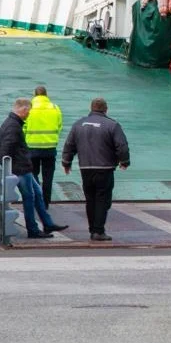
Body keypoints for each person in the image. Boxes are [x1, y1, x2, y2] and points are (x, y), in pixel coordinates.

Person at [62, 97, 130, 242]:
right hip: (104, 168)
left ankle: (93, 229)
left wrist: (66, 162)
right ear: (106, 109)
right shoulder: (112, 125)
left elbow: (69, 145)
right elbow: (121, 145)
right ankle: (98, 231)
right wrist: (124, 161)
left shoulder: (78, 124)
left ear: (91, 108)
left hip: (85, 168)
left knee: (90, 199)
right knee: (102, 199)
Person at [0, 97, 60, 239]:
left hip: (23, 168)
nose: (30, 114)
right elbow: (6, 150)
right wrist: (9, 169)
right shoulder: (13, 127)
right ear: (23, 110)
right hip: (20, 169)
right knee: (29, 197)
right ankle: (33, 229)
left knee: (37, 193)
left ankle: (48, 223)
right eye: (29, 111)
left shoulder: (12, 123)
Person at [24, 84, 63, 205]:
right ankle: (46, 201)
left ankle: (37, 199)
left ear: (34, 95)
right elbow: (59, 126)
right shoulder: (55, 108)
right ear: (46, 95)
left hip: (32, 147)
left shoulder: (29, 108)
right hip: (50, 148)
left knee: (33, 174)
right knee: (48, 176)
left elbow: (23, 127)